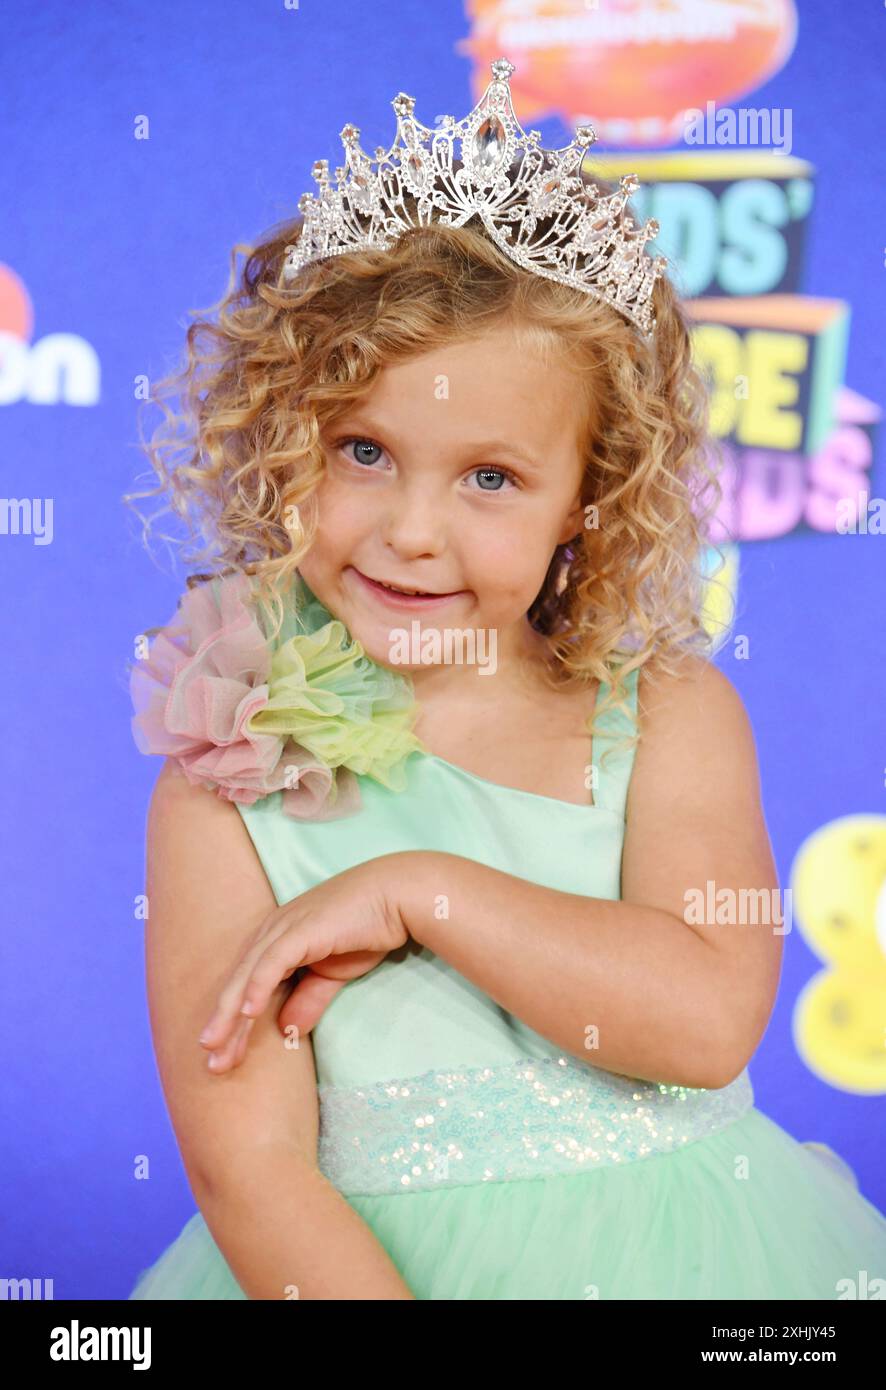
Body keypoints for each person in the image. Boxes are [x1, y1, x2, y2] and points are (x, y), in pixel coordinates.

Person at [124, 59, 886, 1300]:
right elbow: (249, 1168)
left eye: (490, 477)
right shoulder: (232, 766)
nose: (412, 532)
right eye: (362, 451)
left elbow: (702, 1024)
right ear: (282, 442)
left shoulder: (665, 712)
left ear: (589, 495)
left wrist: (422, 891)